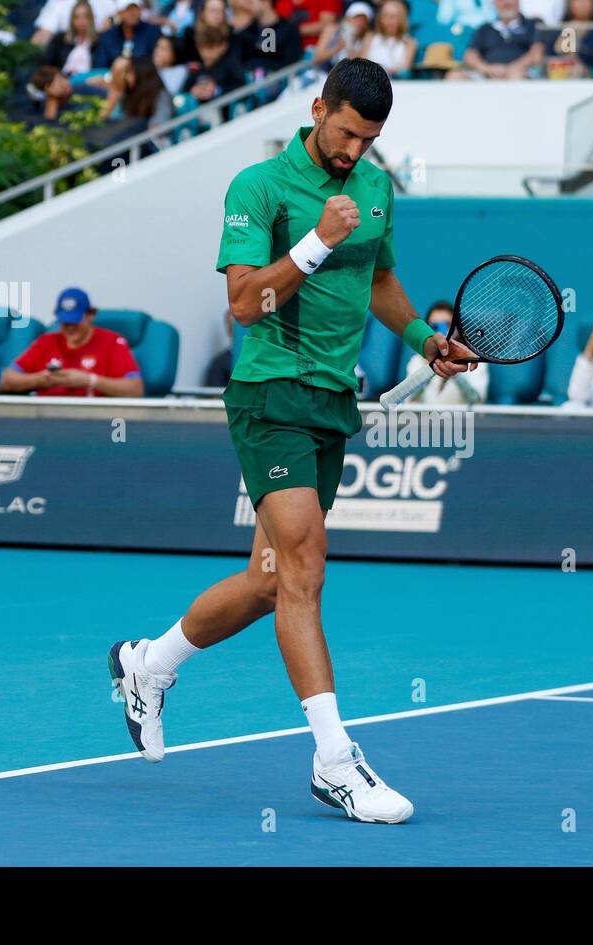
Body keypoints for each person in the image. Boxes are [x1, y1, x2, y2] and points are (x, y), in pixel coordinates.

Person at [107, 59, 479, 824]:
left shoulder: (375, 187)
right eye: (345, 134)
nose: (354, 153)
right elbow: (245, 304)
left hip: (330, 401)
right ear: (317, 109)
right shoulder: (258, 187)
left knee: (272, 579)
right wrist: (315, 238)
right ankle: (335, 762)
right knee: (306, 561)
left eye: (369, 141)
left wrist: (423, 338)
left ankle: (149, 665)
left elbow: (377, 278)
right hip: (270, 392)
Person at [0, 288, 145, 397]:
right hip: (46, 421)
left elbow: (135, 388)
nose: (70, 327)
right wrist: (40, 380)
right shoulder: (46, 341)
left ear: (90, 315)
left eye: (75, 321)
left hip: (93, 422)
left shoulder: (112, 342)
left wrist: (89, 381)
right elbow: (7, 379)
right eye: (65, 321)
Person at [404, 300, 489, 404]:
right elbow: (410, 399)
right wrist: (429, 369)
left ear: (457, 328)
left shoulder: (474, 359)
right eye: (434, 326)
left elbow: (477, 400)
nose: (440, 332)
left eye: (447, 324)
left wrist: (455, 373)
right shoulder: (417, 360)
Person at [456, 0, 545, 79]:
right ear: (494, 3)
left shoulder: (532, 25)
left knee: (517, 76)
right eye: (501, 0)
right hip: (486, 74)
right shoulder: (484, 29)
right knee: (456, 77)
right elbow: (470, 55)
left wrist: (511, 69)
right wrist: (486, 68)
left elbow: (537, 52)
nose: (506, 3)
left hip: (521, 72)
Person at [231, 0, 304, 71]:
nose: (248, 7)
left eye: (251, 3)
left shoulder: (288, 29)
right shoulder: (248, 32)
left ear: (266, 2)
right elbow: (238, 61)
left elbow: (292, 63)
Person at [94, 0, 163, 67]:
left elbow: (158, 59)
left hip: (146, 76)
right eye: (128, 10)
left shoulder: (152, 31)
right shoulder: (108, 36)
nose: (132, 13)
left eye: (136, 9)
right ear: (119, 13)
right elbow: (100, 63)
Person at [362, 0, 418, 75]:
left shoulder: (410, 42)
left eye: (392, 17)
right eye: (384, 16)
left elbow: (405, 69)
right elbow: (360, 64)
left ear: (401, 19)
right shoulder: (369, 37)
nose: (387, 21)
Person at [548, 0, 593, 76]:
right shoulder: (559, 28)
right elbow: (559, 51)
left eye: (586, 1)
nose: (582, 5)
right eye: (577, 1)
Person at [313, 2, 373, 67]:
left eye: (363, 21)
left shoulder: (366, 37)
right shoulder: (332, 29)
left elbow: (358, 66)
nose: (359, 23)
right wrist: (337, 48)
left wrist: (349, 43)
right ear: (347, 19)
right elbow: (317, 58)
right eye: (356, 19)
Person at [33, 0, 116, 46]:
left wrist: (112, 20)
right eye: (77, 17)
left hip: (97, 50)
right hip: (67, 48)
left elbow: (120, 16)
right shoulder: (58, 3)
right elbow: (44, 32)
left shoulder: (107, 2)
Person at [276, 0, 343, 50]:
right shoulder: (281, 3)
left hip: (318, 52)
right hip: (287, 54)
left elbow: (327, 24)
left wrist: (291, 31)